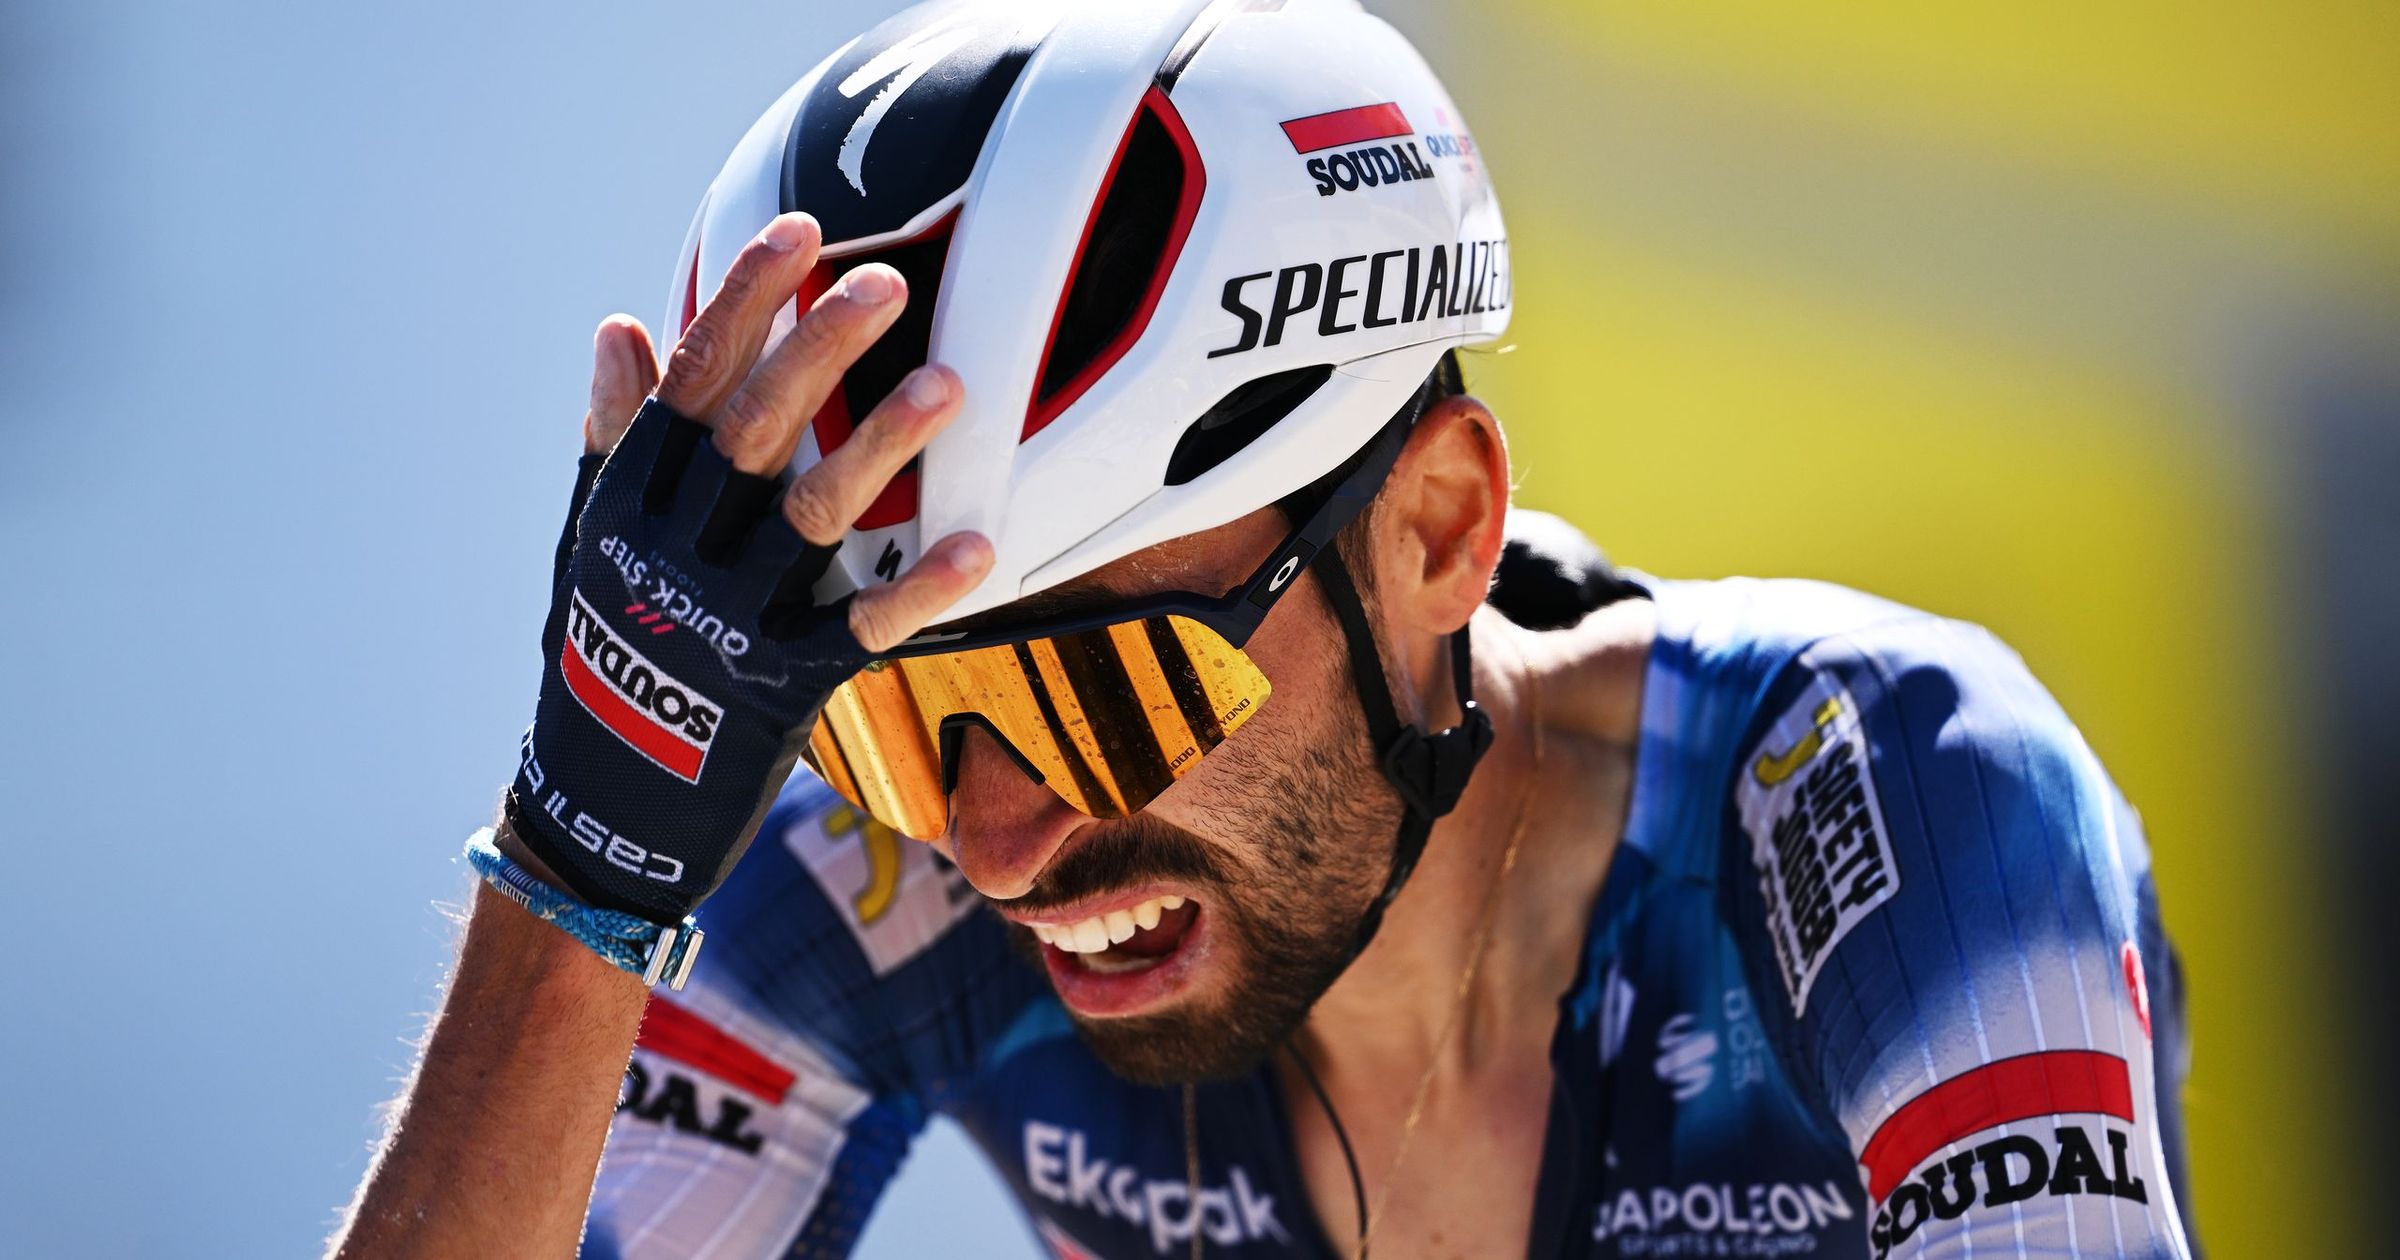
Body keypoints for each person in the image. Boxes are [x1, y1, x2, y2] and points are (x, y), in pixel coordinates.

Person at [330, 2, 2200, 1257]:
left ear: (1439, 532)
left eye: (1107, 690)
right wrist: (581, 871)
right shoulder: (872, 877)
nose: (991, 839)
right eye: (891, 719)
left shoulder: (1897, 799)